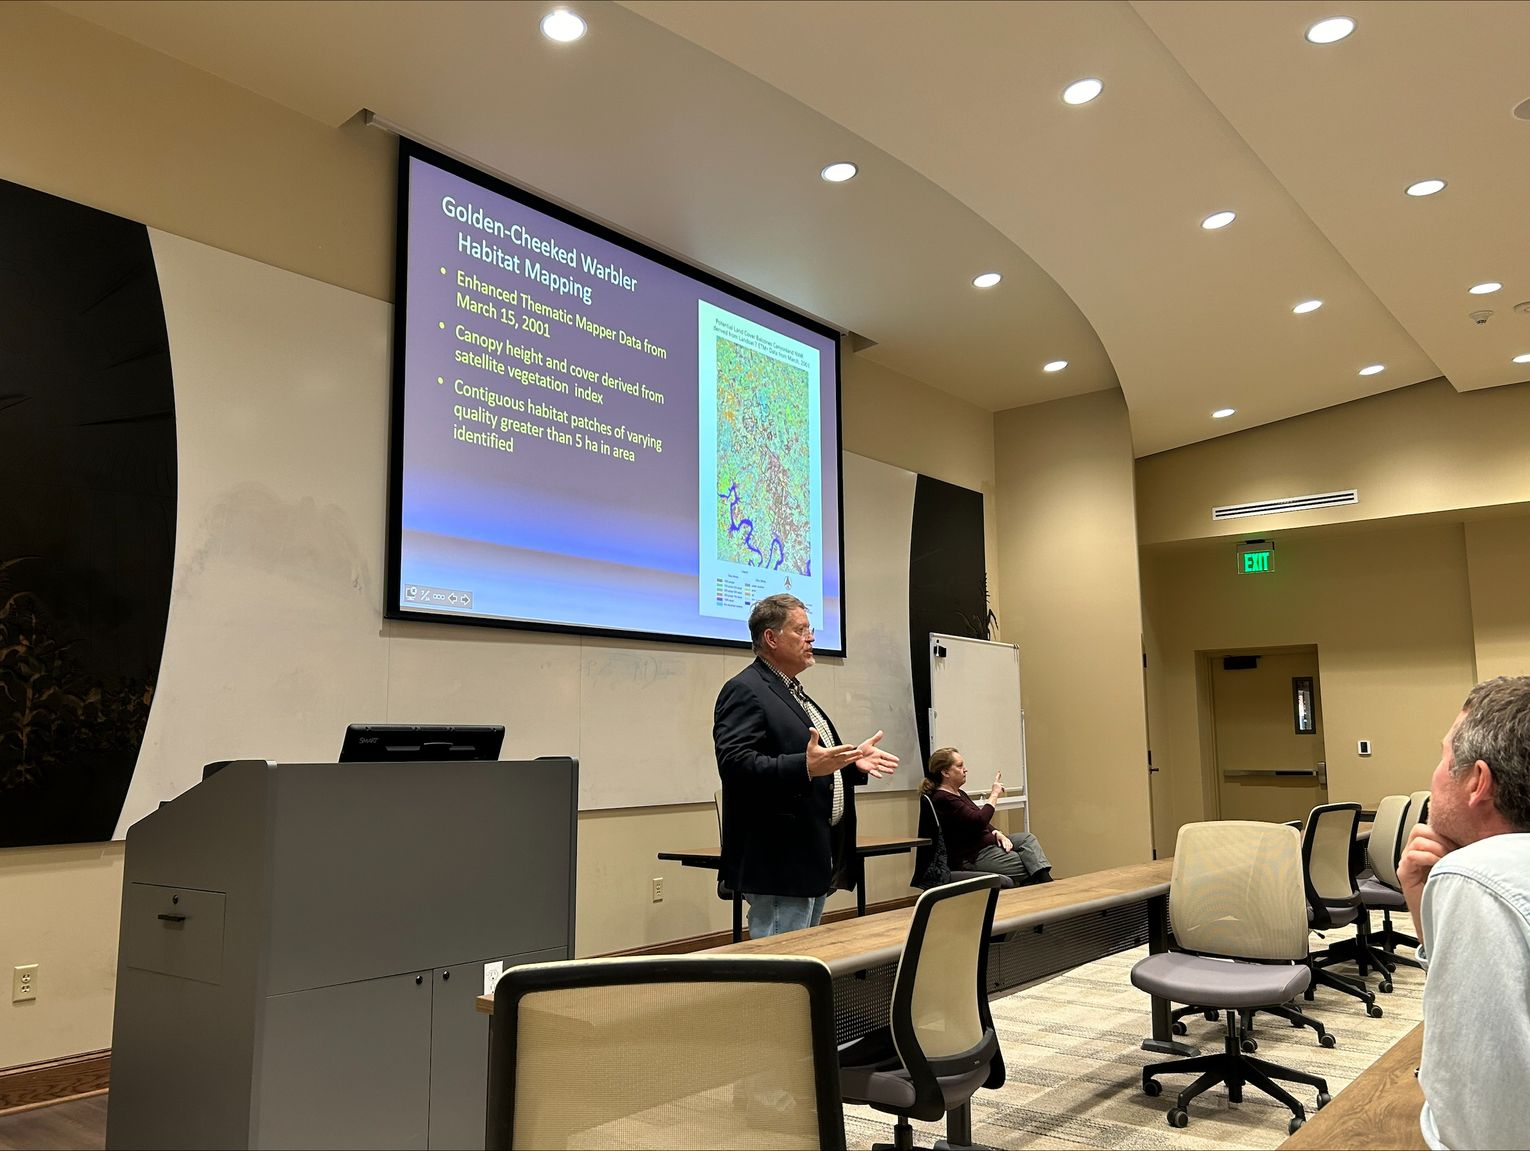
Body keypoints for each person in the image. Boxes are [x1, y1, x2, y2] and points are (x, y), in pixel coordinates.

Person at [713, 593, 898, 938]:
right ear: (771, 638)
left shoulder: (793, 692)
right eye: (801, 630)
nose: (812, 637)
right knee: (782, 964)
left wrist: (852, 764)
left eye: (810, 629)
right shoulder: (745, 690)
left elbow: (815, 764)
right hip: (778, 858)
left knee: (802, 958)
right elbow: (735, 765)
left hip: (809, 852)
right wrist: (806, 766)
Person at [1397, 676, 1530, 1150]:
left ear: (1478, 781)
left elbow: (1484, 1127)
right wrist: (1426, 918)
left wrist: (1460, 874)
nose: (1432, 775)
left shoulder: (1477, 875)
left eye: (1443, 756)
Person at [921, 746, 1052, 884]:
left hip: (988, 843)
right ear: (945, 772)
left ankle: (1044, 883)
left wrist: (997, 832)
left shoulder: (960, 793)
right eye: (959, 766)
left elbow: (977, 819)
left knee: (1027, 839)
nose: (965, 770)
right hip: (974, 855)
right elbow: (979, 820)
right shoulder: (942, 799)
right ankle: (1047, 886)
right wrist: (994, 794)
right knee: (1028, 863)